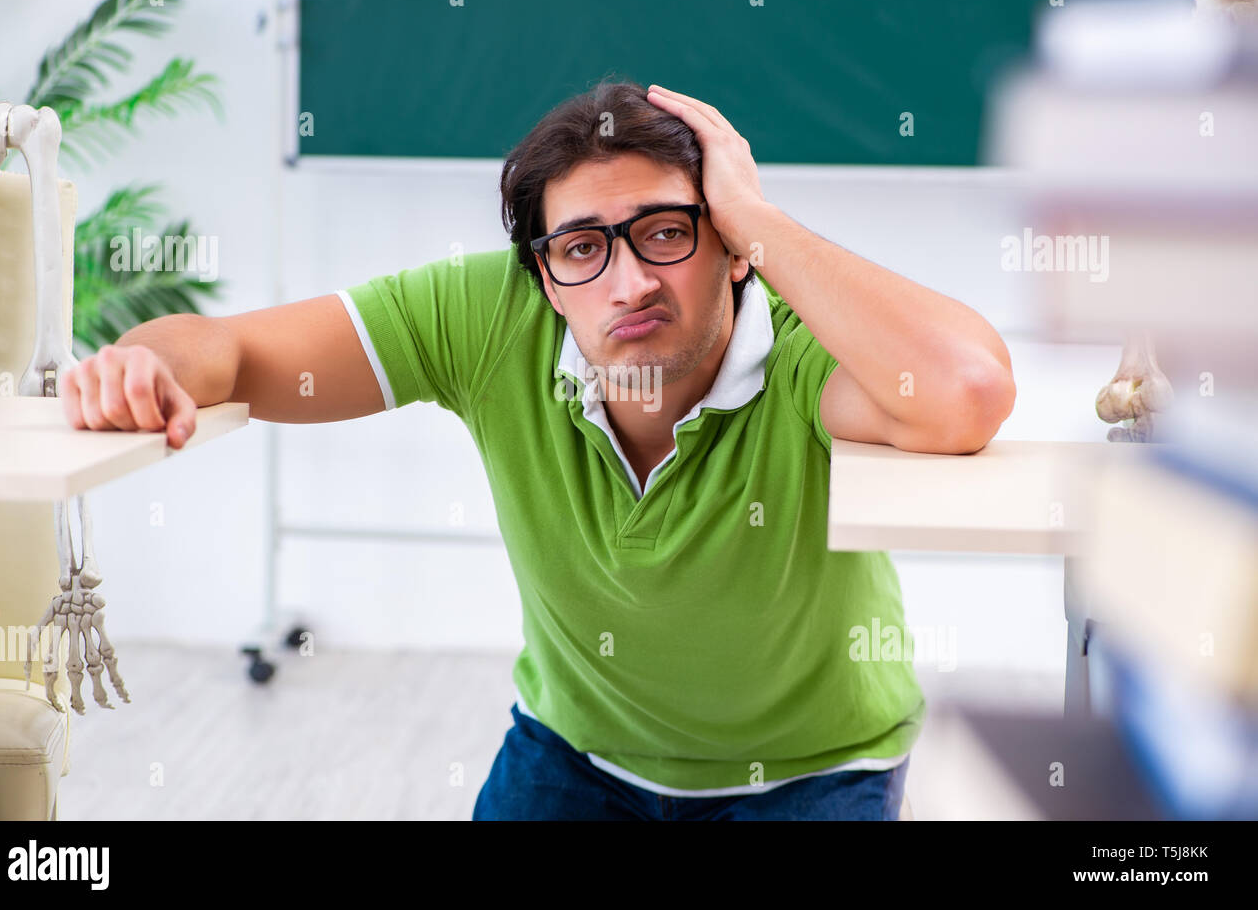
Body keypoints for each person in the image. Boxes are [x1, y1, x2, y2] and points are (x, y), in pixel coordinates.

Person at [63, 77, 1015, 820]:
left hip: (812, 771)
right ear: (546, 279)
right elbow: (227, 350)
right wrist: (142, 366)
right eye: (583, 249)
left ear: (729, 246)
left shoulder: (809, 348)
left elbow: (966, 392)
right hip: (580, 753)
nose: (628, 280)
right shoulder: (488, 316)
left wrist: (760, 219)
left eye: (667, 232)